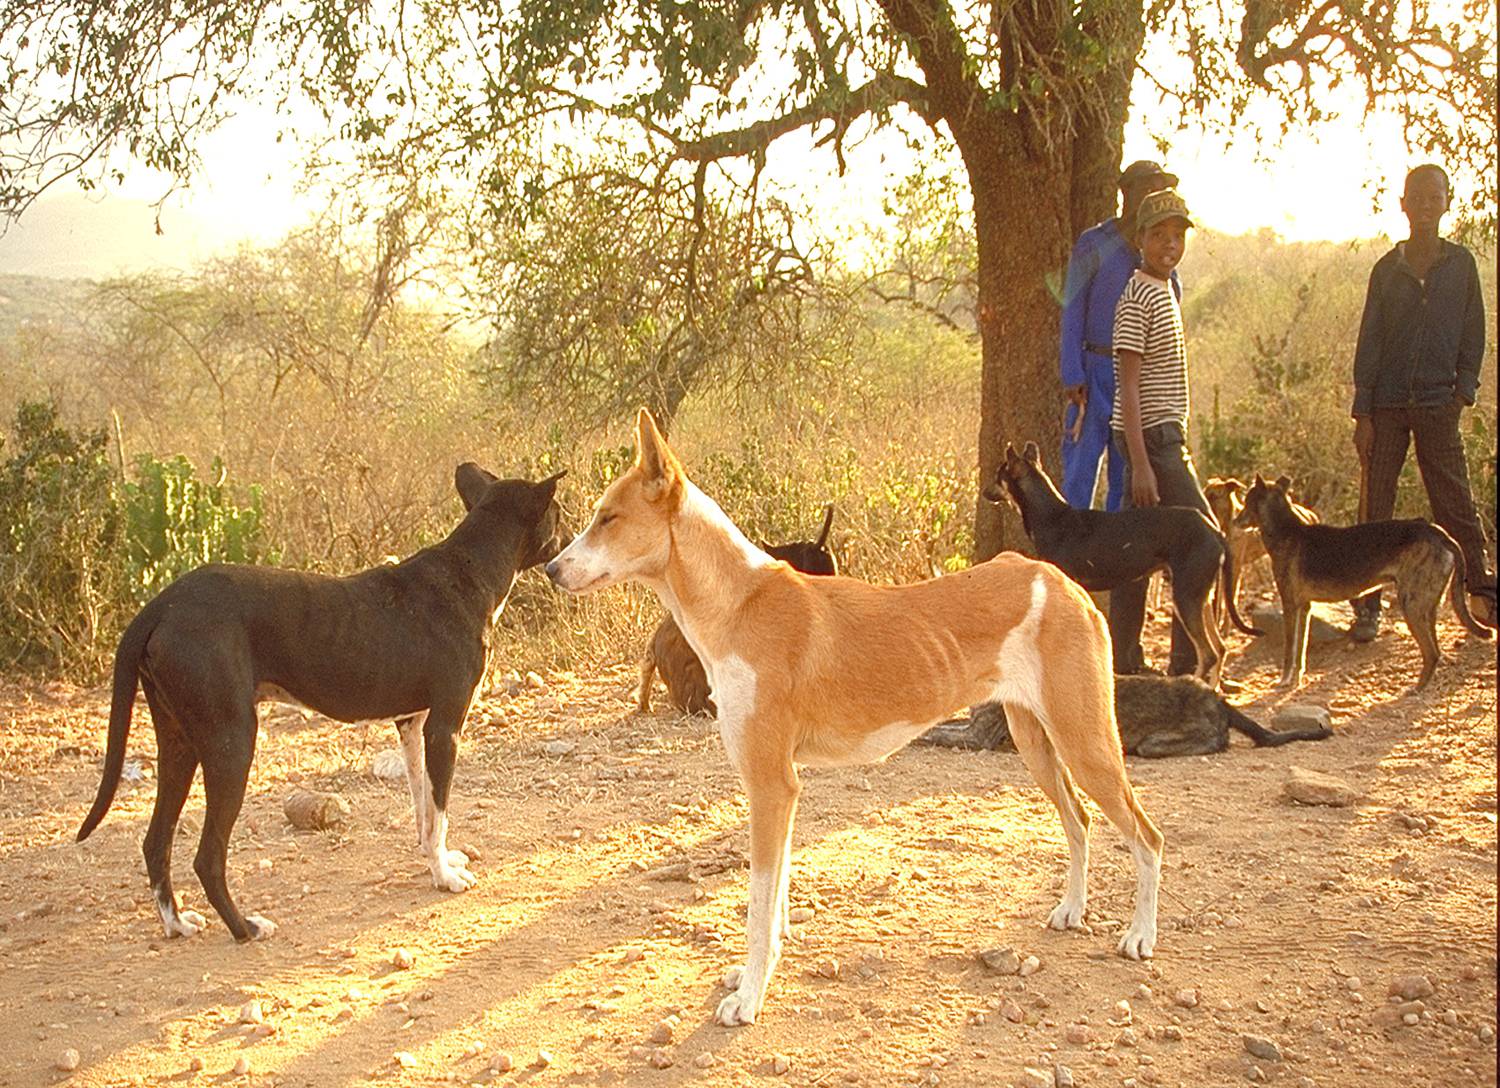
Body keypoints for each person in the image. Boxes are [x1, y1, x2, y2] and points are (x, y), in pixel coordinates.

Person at [1348, 163, 1496, 640]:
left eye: (1436, 198)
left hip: (1439, 403)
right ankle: (1367, 606)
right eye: (1418, 198)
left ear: (1448, 203)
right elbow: (1370, 343)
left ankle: (1484, 595)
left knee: (1455, 503)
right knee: (1375, 507)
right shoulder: (1386, 270)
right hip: (1387, 406)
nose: (1426, 207)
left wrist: (1462, 393)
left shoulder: (1461, 266)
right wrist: (1363, 412)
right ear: (1403, 205)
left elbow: (1473, 334)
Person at [1108, 188, 1212, 675]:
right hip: (1149, 441)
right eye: (1158, 235)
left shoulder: (1164, 289)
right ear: (1139, 239)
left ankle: (1125, 663)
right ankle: (1186, 669)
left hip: (1163, 437)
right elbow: (1127, 386)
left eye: (1177, 235)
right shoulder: (1136, 296)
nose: (1169, 244)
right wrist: (1141, 465)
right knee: (1201, 540)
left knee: (1135, 552)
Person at [1058, 160, 1181, 512]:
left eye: (1158, 189)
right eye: (1145, 188)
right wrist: (1072, 372)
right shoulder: (1095, 242)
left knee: (1125, 473)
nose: (1151, 196)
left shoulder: (1157, 253)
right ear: (1125, 192)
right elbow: (1073, 307)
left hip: (1135, 378)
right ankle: (1070, 544)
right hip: (1094, 368)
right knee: (1079, 471)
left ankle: (1116, 544)